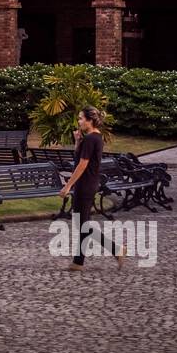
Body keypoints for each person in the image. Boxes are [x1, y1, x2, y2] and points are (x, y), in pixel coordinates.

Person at [57, 107, 121, 271]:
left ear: (89, 120)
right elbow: (80, 159)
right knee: (82, 224)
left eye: (80, 118)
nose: (78, 122)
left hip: (85, 186)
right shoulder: (94, 137)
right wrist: (78, 141)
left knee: (83, 225)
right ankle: (78, 262)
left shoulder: (91, 139)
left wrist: (68, 185)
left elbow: (82, 165)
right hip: (88, 184)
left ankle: (116, 250)